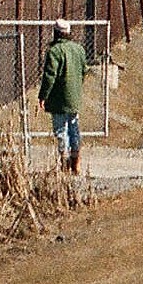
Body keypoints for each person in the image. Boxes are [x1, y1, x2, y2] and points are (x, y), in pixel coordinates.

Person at [37, 19, 87, 171]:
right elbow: (84, 71)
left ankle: (64, 162)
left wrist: (43, 96)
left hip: (59, 98)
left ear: (56, 33)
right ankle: (76, 161)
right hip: (74, 97)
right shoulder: (79, 49)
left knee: (61, 131)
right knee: (74, 129)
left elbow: (49, 76)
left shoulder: (54, 51)